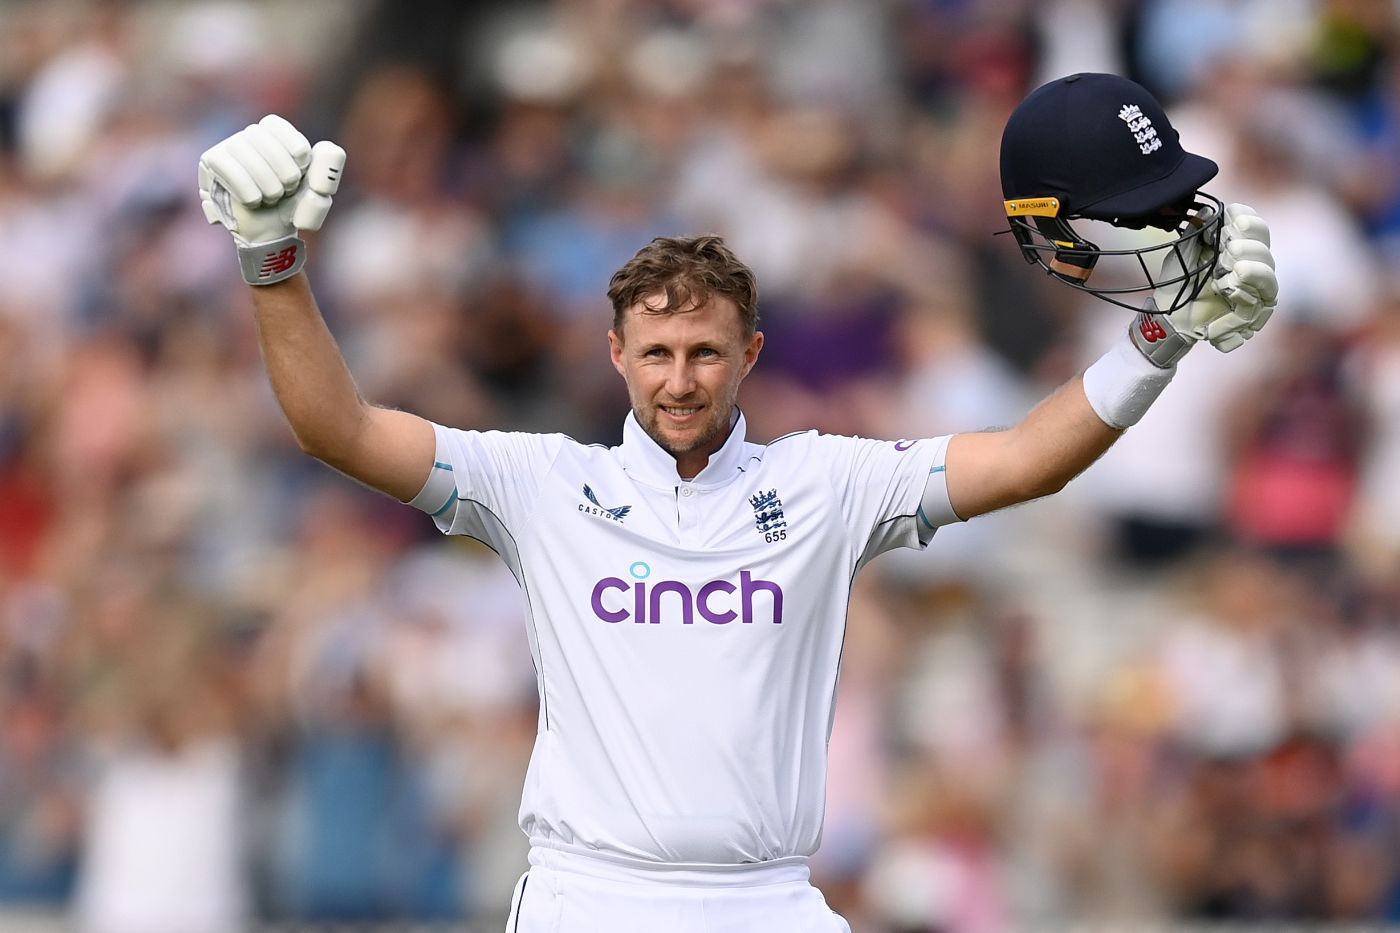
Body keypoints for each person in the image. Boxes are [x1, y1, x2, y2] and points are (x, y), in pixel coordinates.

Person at [197, 72, 1277, 931]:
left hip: (766, 900)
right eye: (656, 353)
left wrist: (1160, 339)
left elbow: (1026, 460)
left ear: (750, 354)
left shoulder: (824, 482)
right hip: (590, 899)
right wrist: (271, 263)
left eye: (705, 353)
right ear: (615, 355)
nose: (680, 380)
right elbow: (337, 429)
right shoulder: (542, 484)